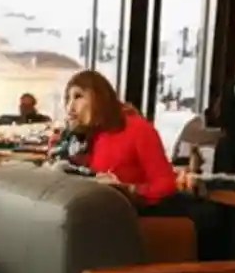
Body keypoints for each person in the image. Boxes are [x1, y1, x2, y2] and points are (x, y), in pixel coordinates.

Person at [58, 70, 177, 207]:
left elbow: (166, 184)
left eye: (78, 96)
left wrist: (127, 189)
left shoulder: (137, 129)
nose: (70, 107)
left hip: (127, 215)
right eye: (68, 99)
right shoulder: (83, 136)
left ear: (99, 97)